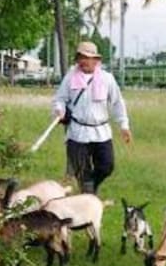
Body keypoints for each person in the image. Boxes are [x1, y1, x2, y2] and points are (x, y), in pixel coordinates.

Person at [52, 41, 131, 194]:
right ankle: (88, 195)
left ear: (96, 60)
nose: (84, 61)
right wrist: (59, 110)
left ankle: (90, 188)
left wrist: (124, 125)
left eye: (88, 58)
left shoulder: (107, 79)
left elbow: (117, 103)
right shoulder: (70, 78)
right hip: (77, 133)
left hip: (101, 133)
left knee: (107, 166)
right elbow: (59, 99)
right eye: (81, 57)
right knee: (82, 172)